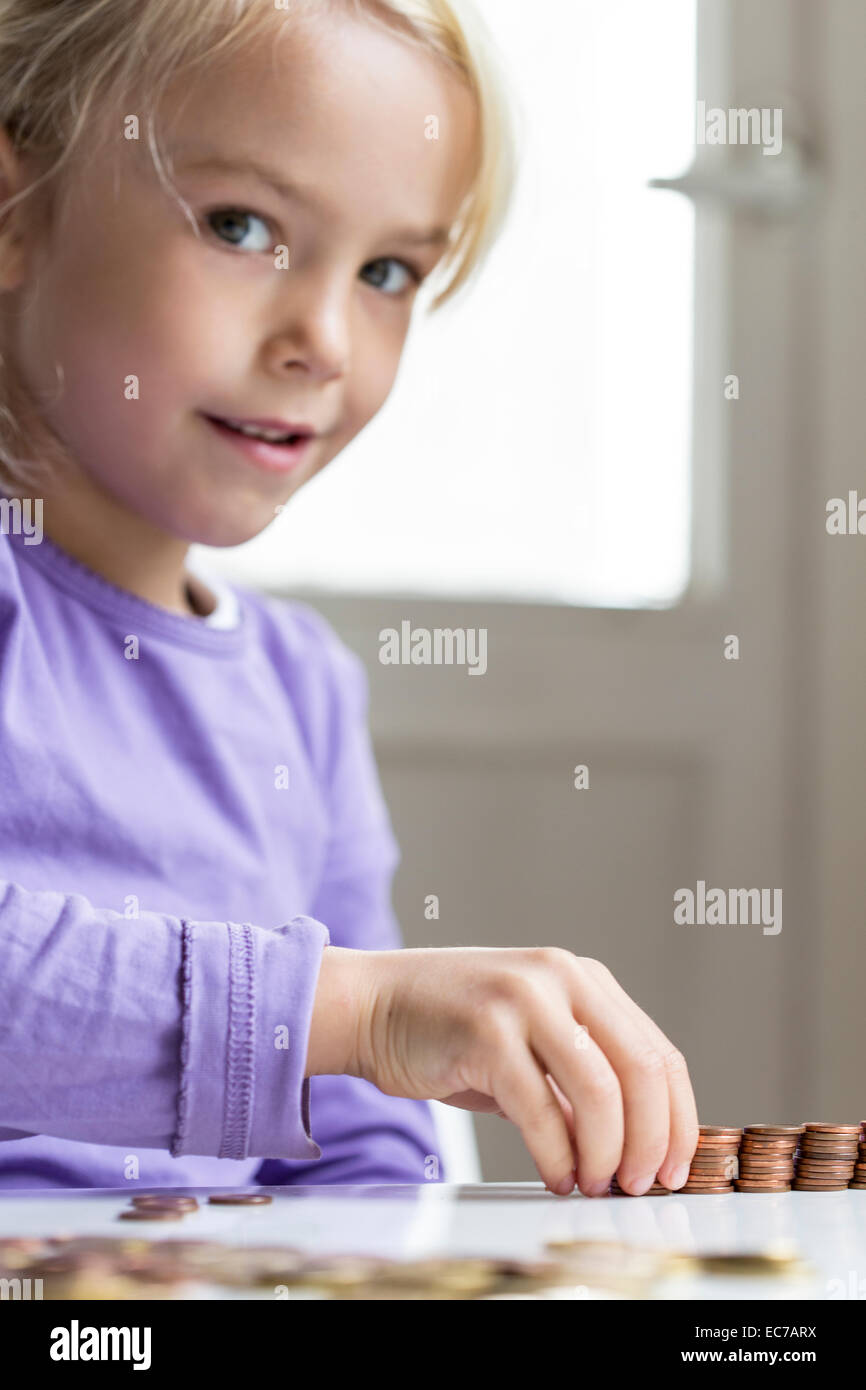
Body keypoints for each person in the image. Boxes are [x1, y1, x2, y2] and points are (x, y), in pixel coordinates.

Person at [0, 0, 698, 1198]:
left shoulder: (301, 690)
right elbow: (358, 1024)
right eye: (240, 225)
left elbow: (369, 1125)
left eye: (386, 272)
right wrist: (359, 1007)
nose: (322, 338)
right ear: (16, 208)